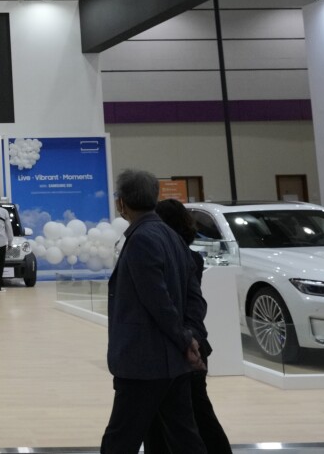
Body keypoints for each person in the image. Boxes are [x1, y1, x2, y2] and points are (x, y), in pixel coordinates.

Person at [100, 170, 206, 454]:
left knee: (120, 440)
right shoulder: (171, 236)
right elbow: (193, 297)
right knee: (185, 438)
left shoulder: (141, 240)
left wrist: (186, 339)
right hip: (174, 362)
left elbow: (158, 302)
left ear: (122, 202)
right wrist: (191, 338)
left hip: (144, 362)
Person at [145, 199, 232, 454]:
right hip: (187, 341)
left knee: (194, 413)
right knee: (191, 412)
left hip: (181, 343)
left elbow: (180, 305)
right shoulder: (189, 256)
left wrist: (188, 338)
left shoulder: (179, 257)